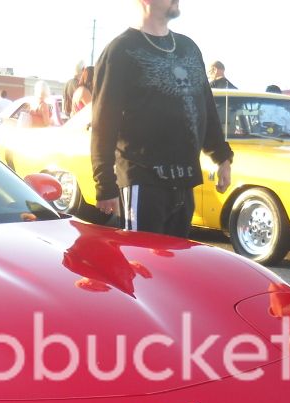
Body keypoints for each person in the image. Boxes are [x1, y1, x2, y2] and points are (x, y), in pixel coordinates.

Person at [91, 0, 233, 236]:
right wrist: (105, 186)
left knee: (174, 268)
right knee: (142, 265)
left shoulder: (189, 47)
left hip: (185, 184)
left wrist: (222, 157)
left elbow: (205, 106)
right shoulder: (120, 51)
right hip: (143, 184)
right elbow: (103, 124)